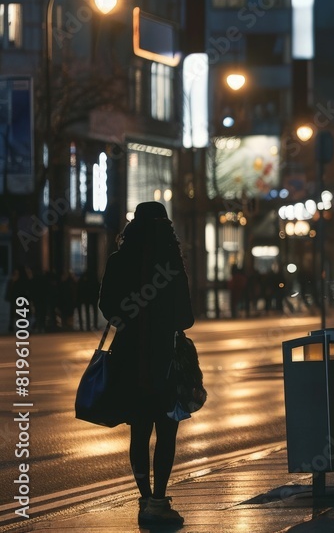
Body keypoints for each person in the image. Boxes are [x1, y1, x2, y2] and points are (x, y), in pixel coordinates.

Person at [99, 201, 194, 526]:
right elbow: (186, 317)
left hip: (129, 358)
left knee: (139, 433)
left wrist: (130, 317)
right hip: (164, 359)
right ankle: (158, 500)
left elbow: (107, 305)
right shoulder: (171, 264)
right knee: (166, 432)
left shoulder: (119, 260)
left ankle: (144, 498)